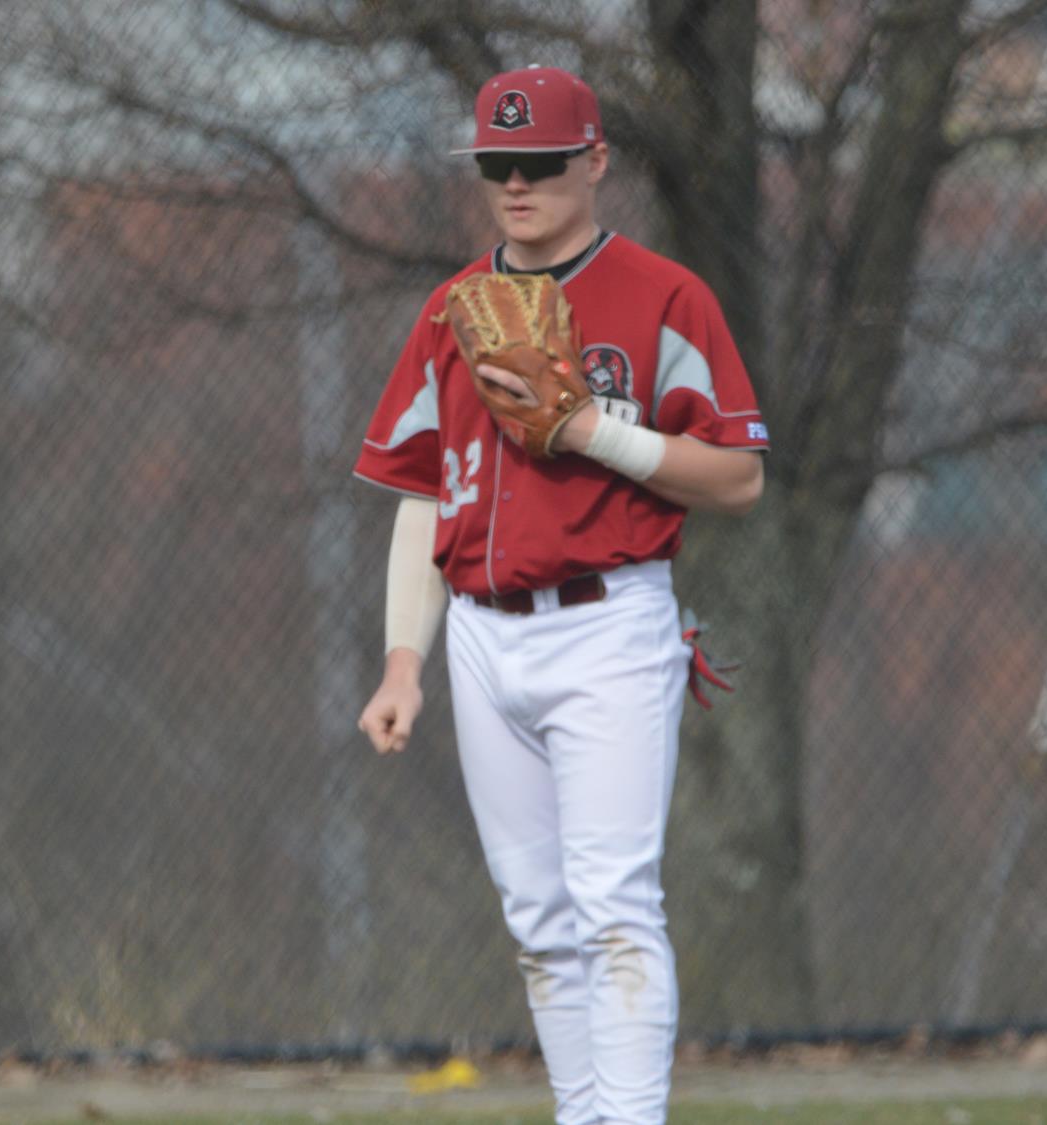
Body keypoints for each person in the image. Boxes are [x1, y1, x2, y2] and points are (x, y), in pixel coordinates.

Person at [352, 64, 769, 1125]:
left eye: (539, 160)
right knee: (537, 920)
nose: (516, 181)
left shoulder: (663, 296)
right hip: (482, 641)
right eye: (496, 163)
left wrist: (592, 431)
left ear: (594, 161)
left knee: (615, 909)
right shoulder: (451, 311)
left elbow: (738, 478)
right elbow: (417, 497)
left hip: (609, 625)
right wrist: (403, 660)